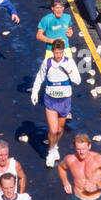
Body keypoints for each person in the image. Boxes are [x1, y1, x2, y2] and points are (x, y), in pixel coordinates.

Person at [30, 37, 82, 168]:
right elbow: (40, 77)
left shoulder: (69, 62)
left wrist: (68, 70)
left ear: (63, 52)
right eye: (56, 53)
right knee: (52, 130)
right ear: (52, 52)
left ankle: (55, 145)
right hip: (50, 100)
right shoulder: (47, 63)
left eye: (60, 53)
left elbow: (78, 80)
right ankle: (51, 152)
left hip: (64, 100)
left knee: (59, 130)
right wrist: (35, 92)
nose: (58, 56)